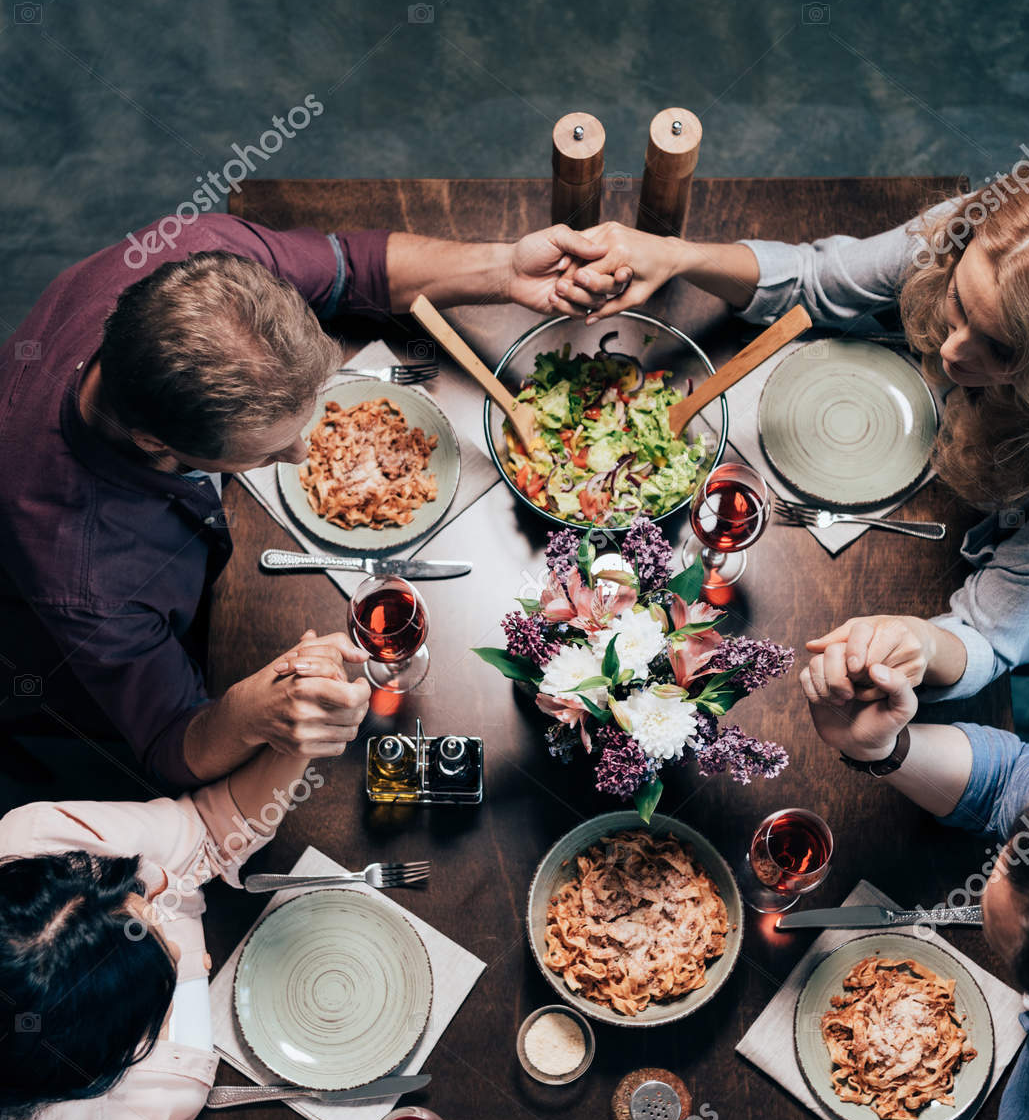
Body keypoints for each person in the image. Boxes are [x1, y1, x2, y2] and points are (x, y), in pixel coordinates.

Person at [0, 648, 605, 1120]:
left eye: (136, 892)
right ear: (101, 1063)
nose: (199, 956)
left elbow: (206, 828)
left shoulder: (36, 844)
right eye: (164, 989)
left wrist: (301, 731)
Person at [0, 213, 627, 787]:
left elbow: (353, 266)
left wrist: (503, 269)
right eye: (270, 453)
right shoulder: (85, 574)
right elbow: (168, 743)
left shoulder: (204, 261)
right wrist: (250, 713)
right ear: (154, 443)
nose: (303, 456)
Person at [546, 663, 1029, 1120]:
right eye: (1011, 852)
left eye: (1009, 962)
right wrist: (889, 747)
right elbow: (1010, 778)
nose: (992, 878)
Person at [551, 156, 1029, 700]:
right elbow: (815, 279)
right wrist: (680, 255)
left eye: (1003, 349)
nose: (949, 351)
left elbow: (990, 638)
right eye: (958, 303)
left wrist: (925, 643)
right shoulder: (968, 230)